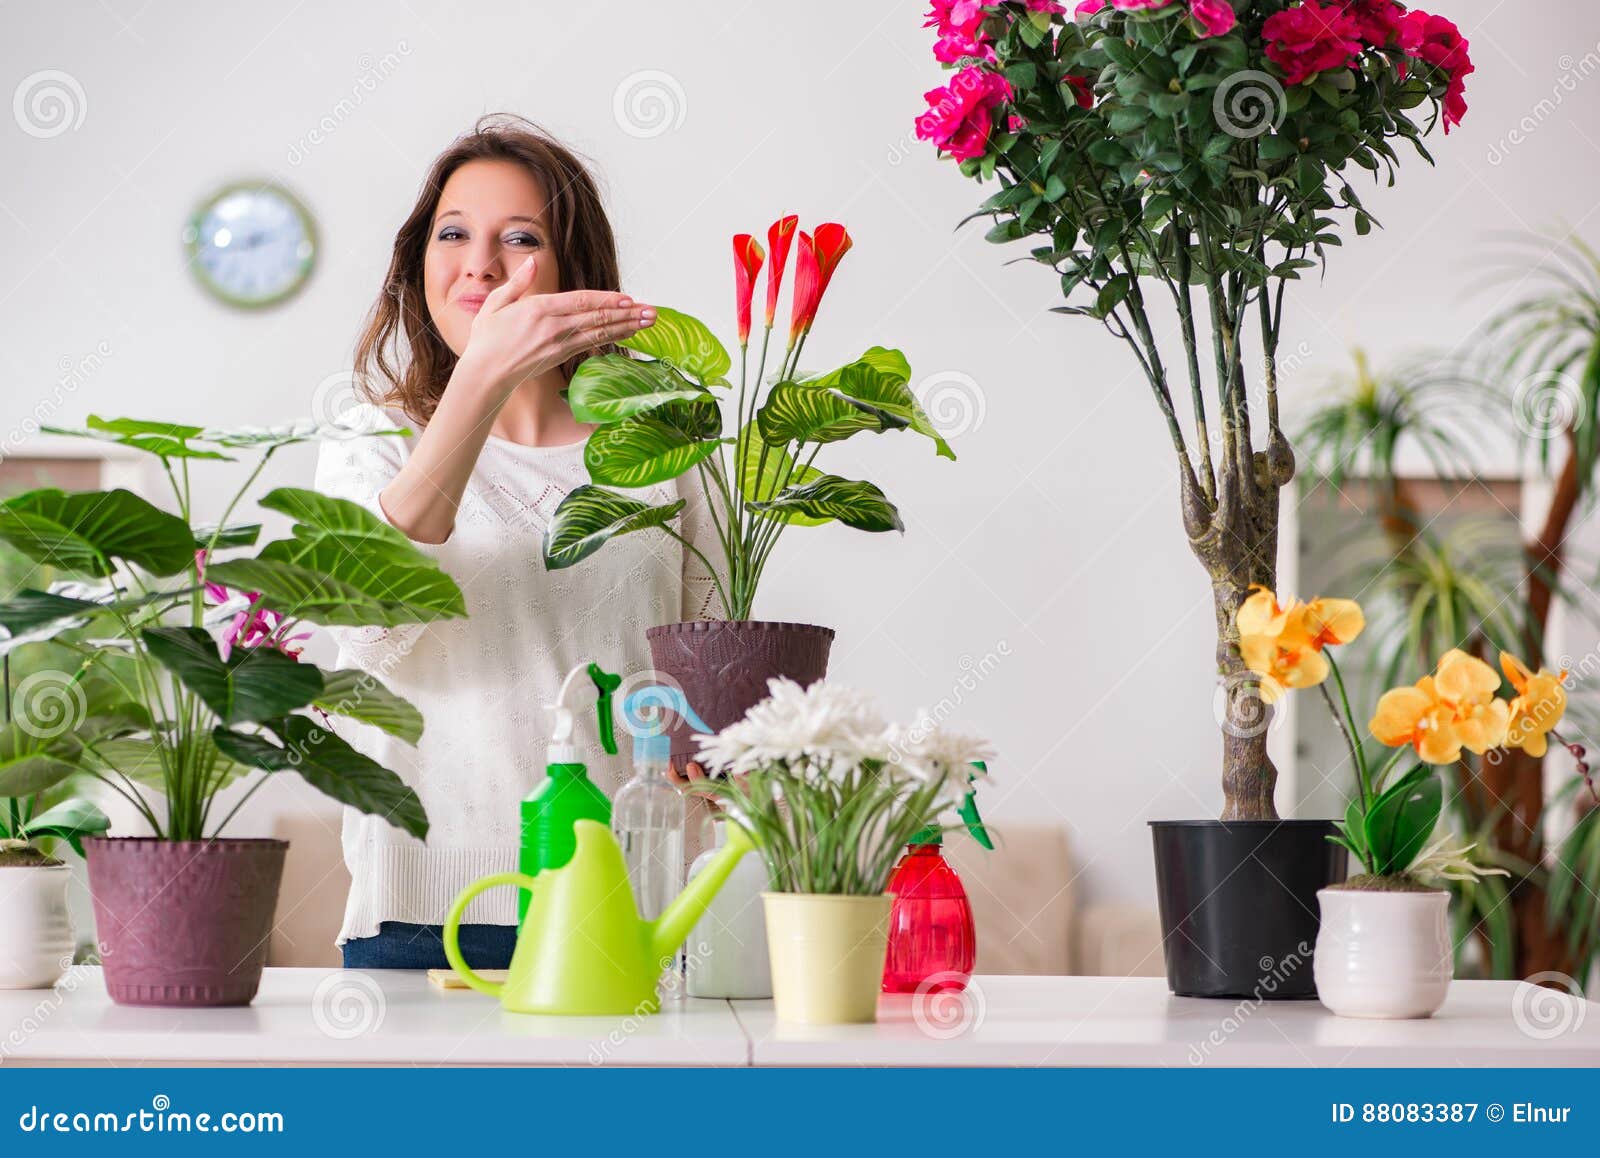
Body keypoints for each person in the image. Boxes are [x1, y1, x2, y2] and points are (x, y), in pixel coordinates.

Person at [316, 114, 717, 969]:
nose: (480, 264)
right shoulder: (368, 442)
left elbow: (706, 675)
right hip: (425, 916)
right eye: (453, 233)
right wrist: (481, 380)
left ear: (576, 270)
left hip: (633, 904)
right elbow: (368, 633)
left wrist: (717, 751)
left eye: (520, 238)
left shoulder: (666, 444)